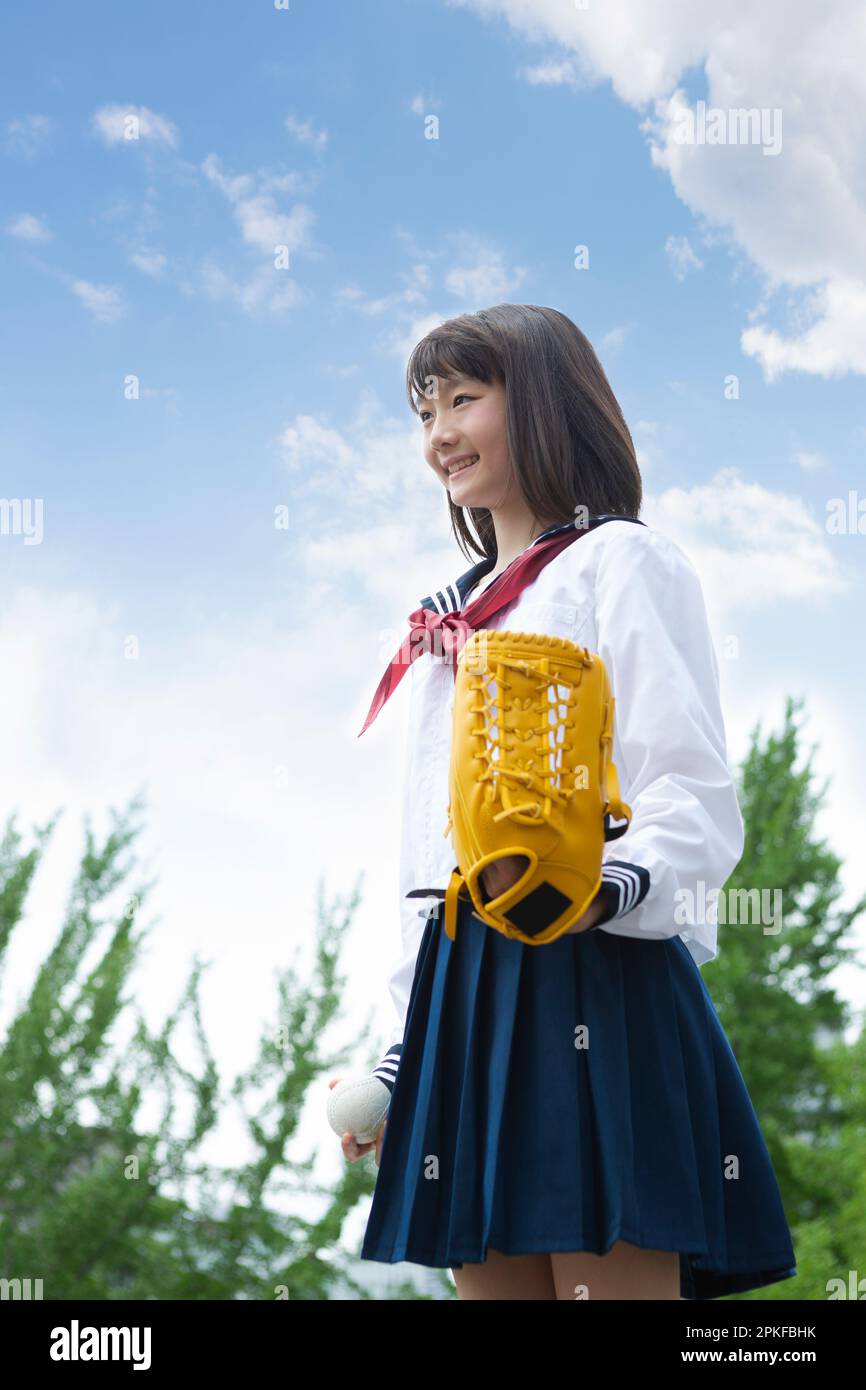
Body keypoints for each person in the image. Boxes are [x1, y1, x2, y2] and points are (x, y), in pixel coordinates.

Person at [332, 303, 798, 1301]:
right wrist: (401, 1048)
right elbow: (431, 864)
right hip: (466, 989)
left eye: (463, 398)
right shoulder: (440, 629)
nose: (438, 434)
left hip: (591, 962)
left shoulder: (619, 561)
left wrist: (594, 891)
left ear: (540, 402)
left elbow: (690, 790)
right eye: (423, 411)